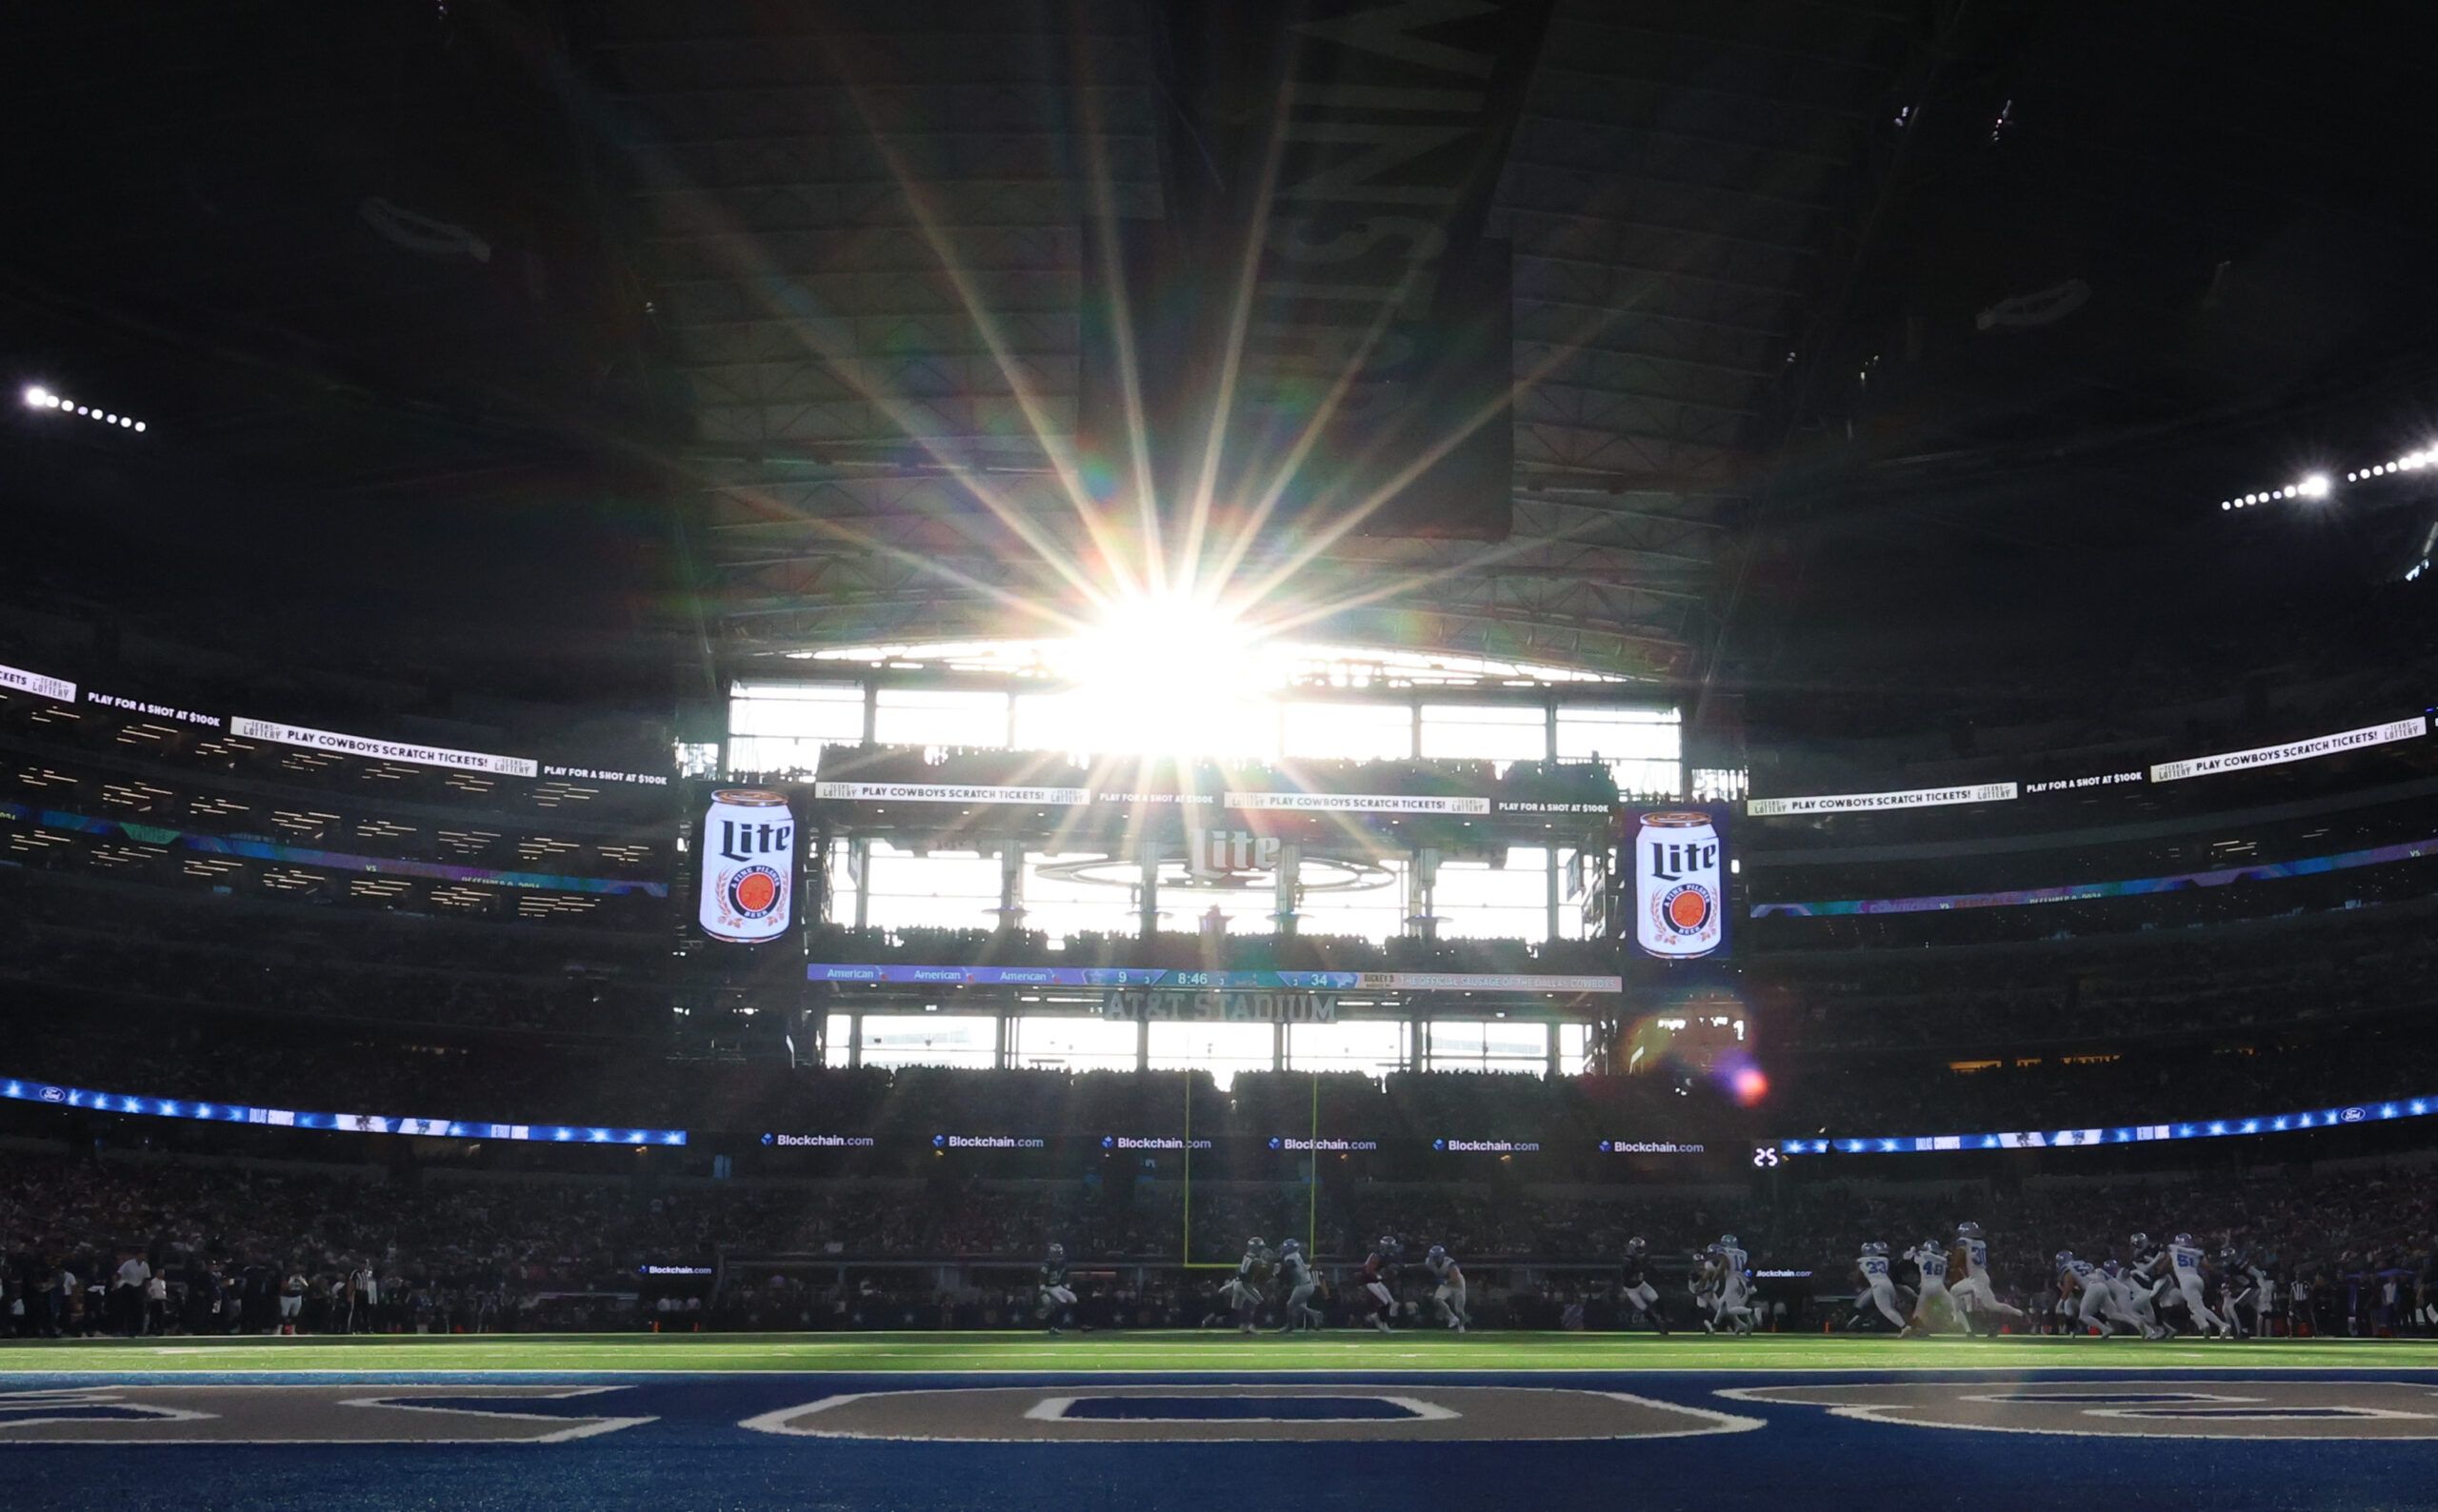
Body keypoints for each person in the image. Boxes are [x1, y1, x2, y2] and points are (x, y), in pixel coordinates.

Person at [1947, 1221, 2025, 1333]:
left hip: (1977, 1279)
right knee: (1992, 1305)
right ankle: (2019, 1313)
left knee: (1977, 1304)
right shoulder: (1981, 1243)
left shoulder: (1964, 1241)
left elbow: (1958, 1258)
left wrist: (1951, 1259)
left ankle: (1963, 1319)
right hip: (1980, 1277)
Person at [2165, 1233, 2234, 1339]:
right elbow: (2208, 1266)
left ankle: (2222, 1325)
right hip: (2197, 1279)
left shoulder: (2173, 1249)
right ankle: (2204, 1326)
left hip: (2186, 1281)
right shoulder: (2197, 1252)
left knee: (2199, 1308)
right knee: (2192, 1306)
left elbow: (2165, 1265)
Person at [1848, 1242, 1909, 1333]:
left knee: (1886, 1309)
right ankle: (1907, 1325)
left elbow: (1858, 1277)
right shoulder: (1884, 1260)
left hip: (1877, 1286)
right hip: (1889, 1284)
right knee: (1892, 1309)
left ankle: (1905, 1327)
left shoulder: (1860, 1261)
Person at [1907, 1238, 1961, 1335]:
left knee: (1919, 1311)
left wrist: (1913, 1251)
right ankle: (1962, 1325)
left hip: (1926, 1287)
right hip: (1939, 1286)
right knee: (1953, 1306)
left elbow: (1907, 1257)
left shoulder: (1923, 1255)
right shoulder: (1943, 1259)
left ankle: (1915, 1329)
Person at [1618, 1237, 1669, 1334]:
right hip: (1631, 1289)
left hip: (1641, 1285)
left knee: (1657, 1300)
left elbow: (1651, 1269)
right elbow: (1625, 1276)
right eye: (1638, 1249)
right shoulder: (1627, 1261)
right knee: (1644, 1309)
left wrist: (1660, 1274)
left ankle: (1663, 1320)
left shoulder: (1643, 1258)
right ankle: (1657, 1326)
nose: (1641, 1252)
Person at [1711, 1233, 1757, 1336]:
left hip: (1732, 1279)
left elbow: (1723, 1264)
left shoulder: (1723, 1250)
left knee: (1731, 1309)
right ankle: (1714, 1327)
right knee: (1722, 1304)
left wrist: (1714, 1279)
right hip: (1742, 1280)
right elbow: (1752, 1266)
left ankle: (1753, 1311)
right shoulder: (1743, 1253)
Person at [1275, 1239, 1324, 1333]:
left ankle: (1290, 1325)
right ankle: (1315, 1315)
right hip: (1307, 1284)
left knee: (1290, 1305)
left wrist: (1280, 1267)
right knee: (1298, 1306)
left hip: (1303, 1286)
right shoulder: (1297, 1255)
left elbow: (1290, 1266)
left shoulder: (1290, 1257)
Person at [1424, 1244, 1471, 1333]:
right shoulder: (1429, 1262)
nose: (1434, 1260)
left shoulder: (1450, 1264)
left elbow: (1455, 1278)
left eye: (1436, 1257)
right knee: (1438, 1299)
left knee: (1459, 1310)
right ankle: (1451, 1317)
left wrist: (1444, 1281)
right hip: (1446, 1284)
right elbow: (1425, 1268)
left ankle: (1461, 1326)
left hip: (1457, 1285)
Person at [1359, 1236, 1401, 1334]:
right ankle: (1382, 1323)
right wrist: (1380, 1275)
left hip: (1375, 1281)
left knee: (1391, 1302)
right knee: (1385, 1302)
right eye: (1390, 1247)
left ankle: (1378, 1318)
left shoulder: (1384, 1255)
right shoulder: (1376, 1256)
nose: (1392, 1249)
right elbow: (1368, 1271)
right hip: (1369, 1281)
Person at [1037, 1243, 1078, 1336]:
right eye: (1057, 1254)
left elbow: (1065, 1275)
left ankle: (1080, 1324)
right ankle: (1054, 1327)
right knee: (1062, 1303)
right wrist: (1042, 1289)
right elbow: (1041, 1277)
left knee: (1074, 1300)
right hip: (1049, 1287)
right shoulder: (1047, 1264)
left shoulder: (1063, 1263)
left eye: (1060, 1254)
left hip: (1058, 1286)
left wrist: (1067, 1287)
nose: (1059, 1256)